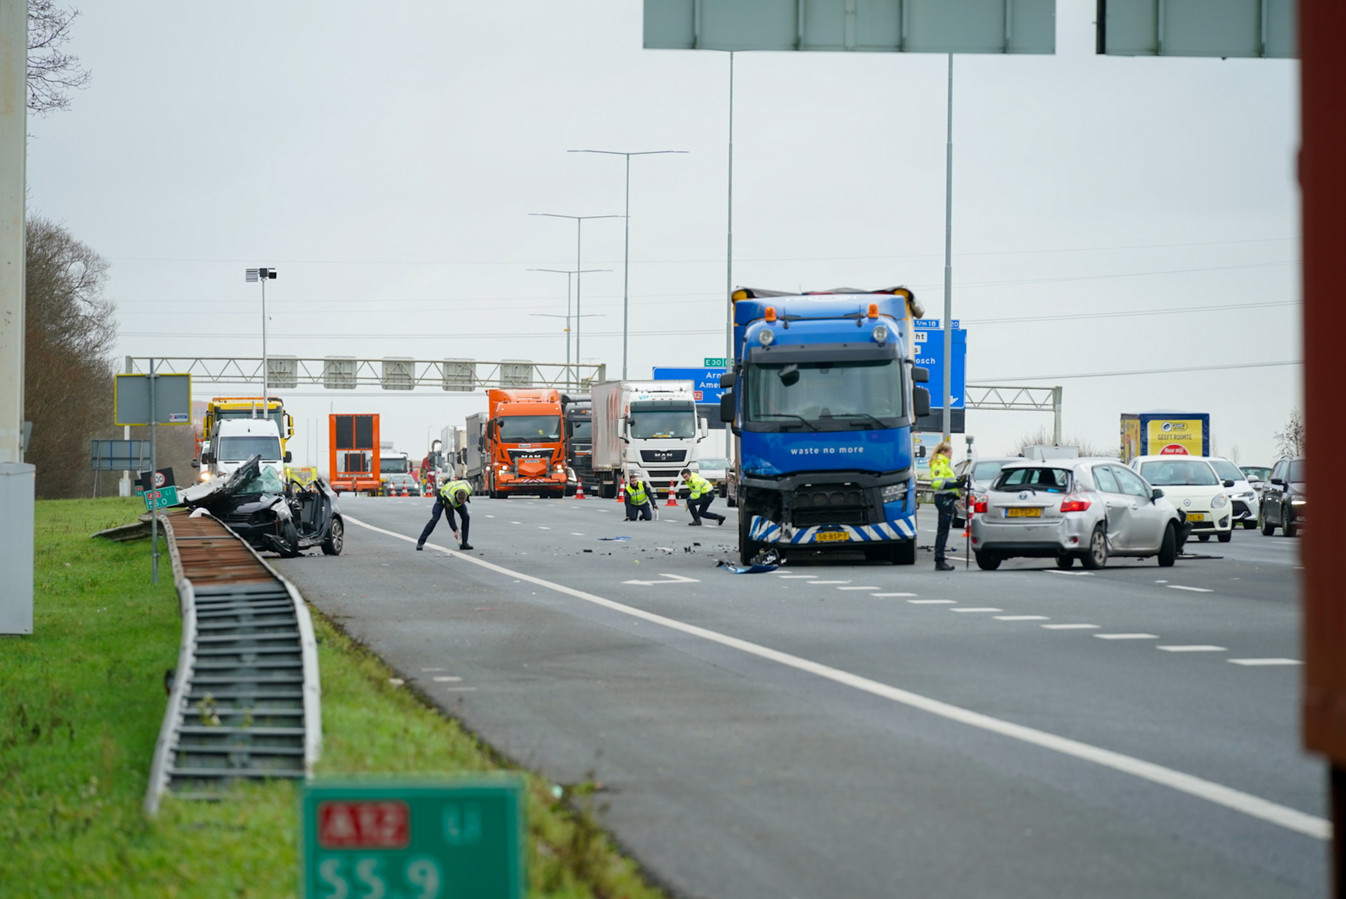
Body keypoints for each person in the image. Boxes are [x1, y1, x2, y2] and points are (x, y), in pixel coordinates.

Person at [416, 478, 473, 551]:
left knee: (466, 516)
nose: (460, 504)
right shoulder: (449, 498)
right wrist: (455, 530)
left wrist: (461, 503)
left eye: (462, 502)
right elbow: (450, 516)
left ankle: (464, 543)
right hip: (442, 498)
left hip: (453, 491)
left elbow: (468, 481)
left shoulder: (468, 487)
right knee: (435, 519)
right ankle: (420, 542)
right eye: (459, 502)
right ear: (456, 498)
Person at [930, 442, 960, 571]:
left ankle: (940, 558)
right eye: (950, 452)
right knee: (943, 530)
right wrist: (955, 485)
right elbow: (937, 483)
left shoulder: (945, 464)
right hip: (944, 499)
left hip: (947, 499)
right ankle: (939, 559)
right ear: (943, 452)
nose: (951, 454)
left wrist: (958, 484)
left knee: (944, 529)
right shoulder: (939, 464)